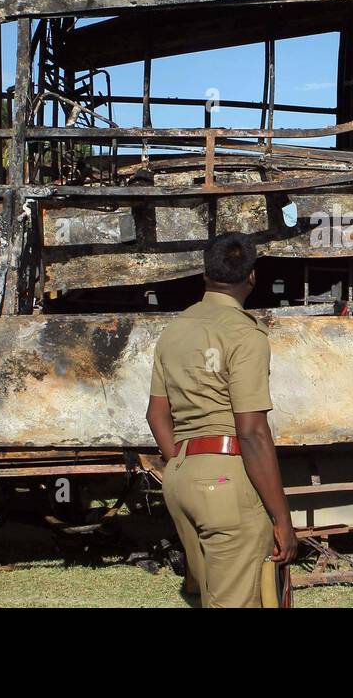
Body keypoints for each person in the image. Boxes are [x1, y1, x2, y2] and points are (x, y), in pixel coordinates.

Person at [146, 232, 296, 607]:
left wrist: (181, 462)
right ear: (251, 277)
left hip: (180, 476)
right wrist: (282, 519)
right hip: (227, 481)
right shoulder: (244, 333)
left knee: (211, 595)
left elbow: (156, 414)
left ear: (205, 274)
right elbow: (252, 433)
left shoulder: (175, 330)